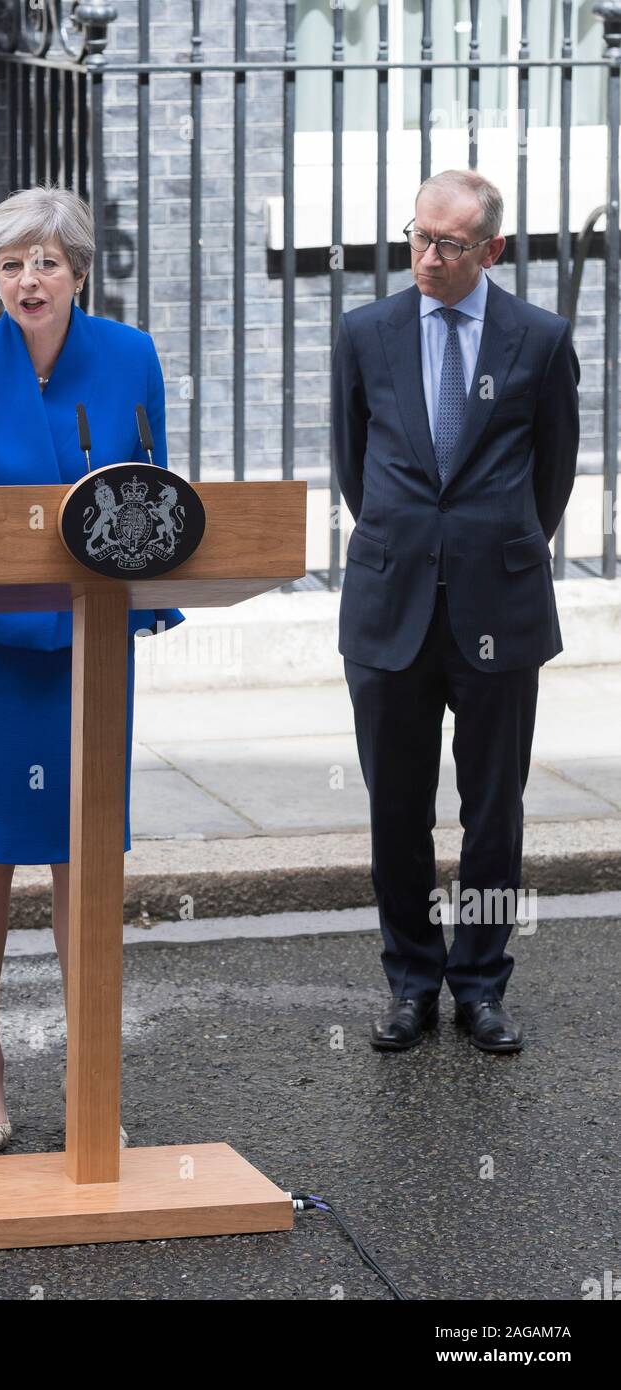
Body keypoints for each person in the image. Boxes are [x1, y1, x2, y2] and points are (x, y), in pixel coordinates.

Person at [0, 184, 184, 1148]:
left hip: (90, 643)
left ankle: (89, 1073)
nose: (28, 279)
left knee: (83, 852)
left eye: (46, 261)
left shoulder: (130, 356)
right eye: (10, 264)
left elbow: (159, 496)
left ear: (79, 271)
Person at [332, 169, 580, 1053]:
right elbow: (353, 465)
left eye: (448, 245)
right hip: (389, 604)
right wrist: (417, 545)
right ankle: (410, 984)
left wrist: (491, 546)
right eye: (418, 238)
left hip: (500, 607)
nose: (426, 258)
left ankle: (479, 984)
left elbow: (550, 475)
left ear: (493, 251)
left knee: (494, 809)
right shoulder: (366, 333)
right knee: (396, 808)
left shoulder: (540, 340)